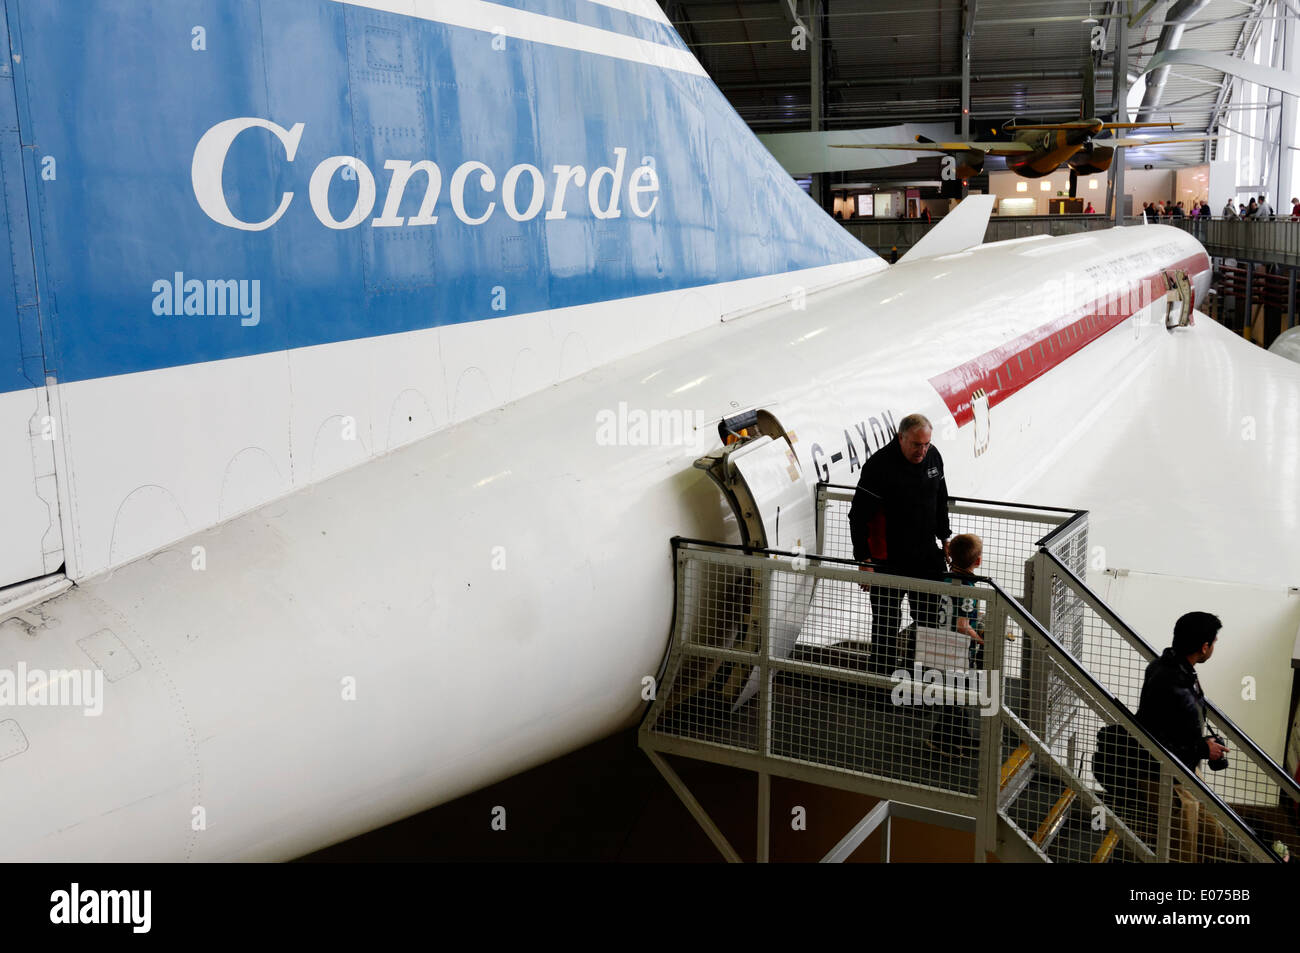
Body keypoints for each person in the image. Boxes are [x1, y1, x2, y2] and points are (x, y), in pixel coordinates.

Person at [849, 413, 951, 681]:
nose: (922, 450)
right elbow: (857, 516)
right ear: (901, 438)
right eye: (917, 444)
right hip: (888, 559)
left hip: (926, 555)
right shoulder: (879, 466)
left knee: (928, 622)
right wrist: (865, 559)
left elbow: (941, 498)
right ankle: (881, 682)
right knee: (886, 622)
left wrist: (946, 537)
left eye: (926, 444)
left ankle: (918, 680)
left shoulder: (933, 457)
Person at [1135, 611, 1230, 862]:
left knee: (1213, 835)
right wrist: (1202, 748)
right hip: (1164, 775)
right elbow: (1156, 735)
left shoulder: (1173, 667)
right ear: (1204, 646)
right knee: (1183, 850)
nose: (1215, 646)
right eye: (1214, 642)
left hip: (1185, 767)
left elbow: (1174, 725)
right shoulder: (1171, 680)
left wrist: (1204, 745)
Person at [923, 533, 985, 758]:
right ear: (977, 561)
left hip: (943, 646)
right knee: (957, 695)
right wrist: (981, 639)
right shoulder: (968, 589)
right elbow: (962, 625)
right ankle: (940, 737)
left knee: (958, 693)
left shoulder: (947, 579)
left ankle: (960, 736)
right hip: (958, 651)